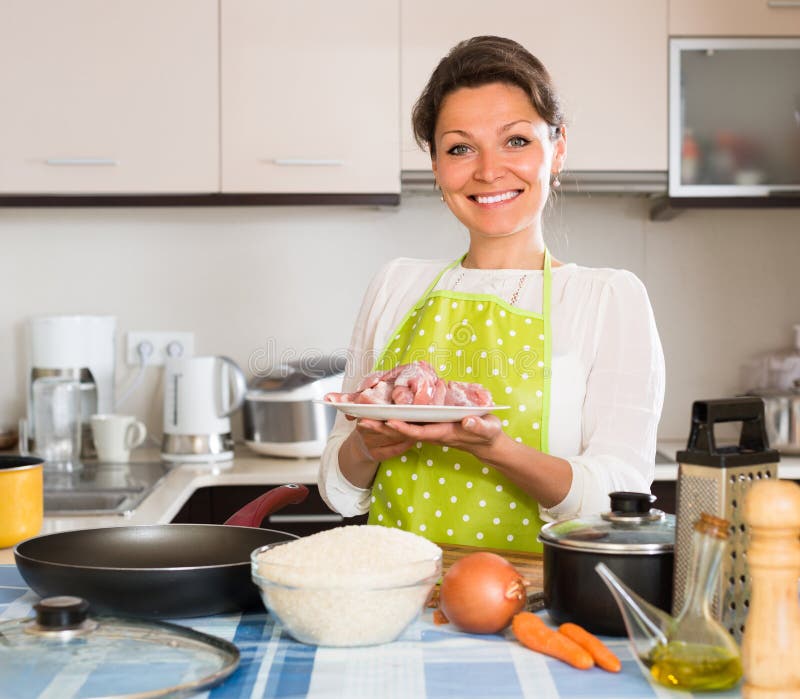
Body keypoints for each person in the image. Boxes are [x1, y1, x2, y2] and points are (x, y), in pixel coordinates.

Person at [318, 36, 665, 552]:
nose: (487, 169)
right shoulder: (395, 284)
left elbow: (620, 496)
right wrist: (367, 447)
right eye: (460, 147)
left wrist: (499, 449)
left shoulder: (607, 299)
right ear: (436, 167)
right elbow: (338, 489)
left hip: (539, 604)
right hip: (396, 600)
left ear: (558, 149)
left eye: (516, 141)